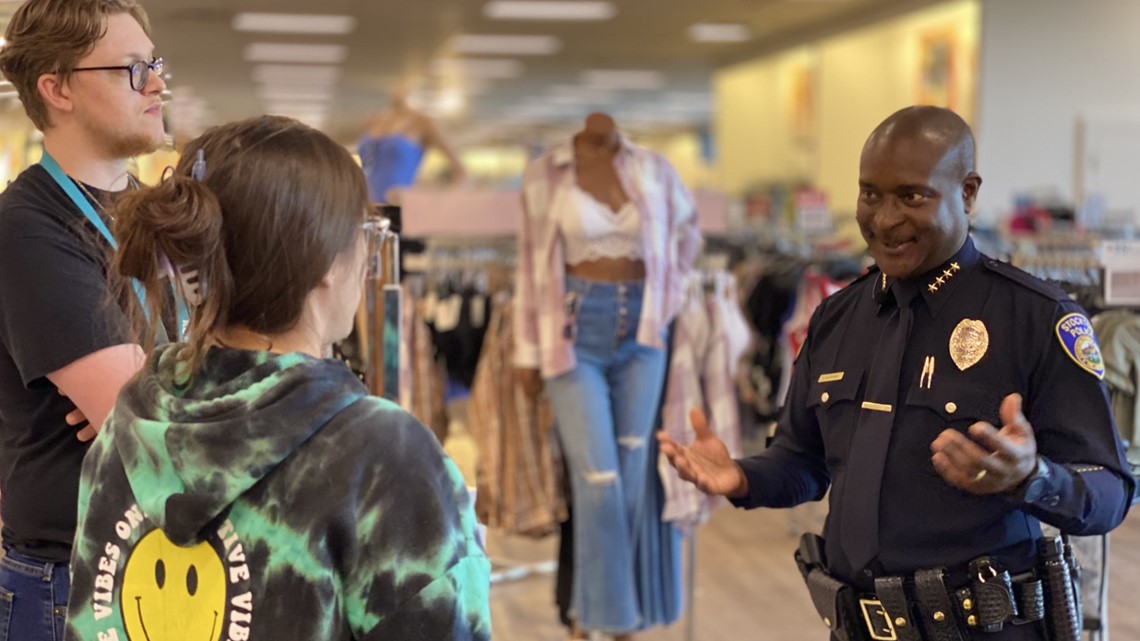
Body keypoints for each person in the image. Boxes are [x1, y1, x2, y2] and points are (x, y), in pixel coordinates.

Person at [660, 106, 1134, 641]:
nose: (884, 219)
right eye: (870, 194)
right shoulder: (837, 318)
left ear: (968, 193)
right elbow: (804, 463)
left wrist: (1033, 478)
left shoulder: (1036, 318)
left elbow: (1110, 491)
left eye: (912, 196)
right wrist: (743, 477)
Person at [64, 115, 492, 641]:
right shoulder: (383, 457)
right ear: (325, 264)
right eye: (365, 233)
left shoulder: (129, 428)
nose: (368, 255)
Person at [0, 1, 166, 638]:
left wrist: (162, 374)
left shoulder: (151, 214)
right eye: (130, 69)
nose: (156, 83)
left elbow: (169, 390)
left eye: (153, 64)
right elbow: (145, 422)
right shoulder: (27, 227)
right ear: (57, 88)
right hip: (69, 578)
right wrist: (152, 387)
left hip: (153, 551)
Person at [514, 112, 701, 640]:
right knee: (598, 482)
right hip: (575, 336)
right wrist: (528, 353)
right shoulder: (545, 173)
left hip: (644, 334)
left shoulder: (655, 168)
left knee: (634, 473)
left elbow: (687, 232)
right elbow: (531, 265)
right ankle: (615, 621)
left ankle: (594, 616)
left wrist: (670, 292)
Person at [358, 85, 465, 208]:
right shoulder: (373, 121)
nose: (397, 93)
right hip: (364, 204)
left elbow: (460, 171)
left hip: (400, 205)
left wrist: (425, 195)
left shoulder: (424, 123)